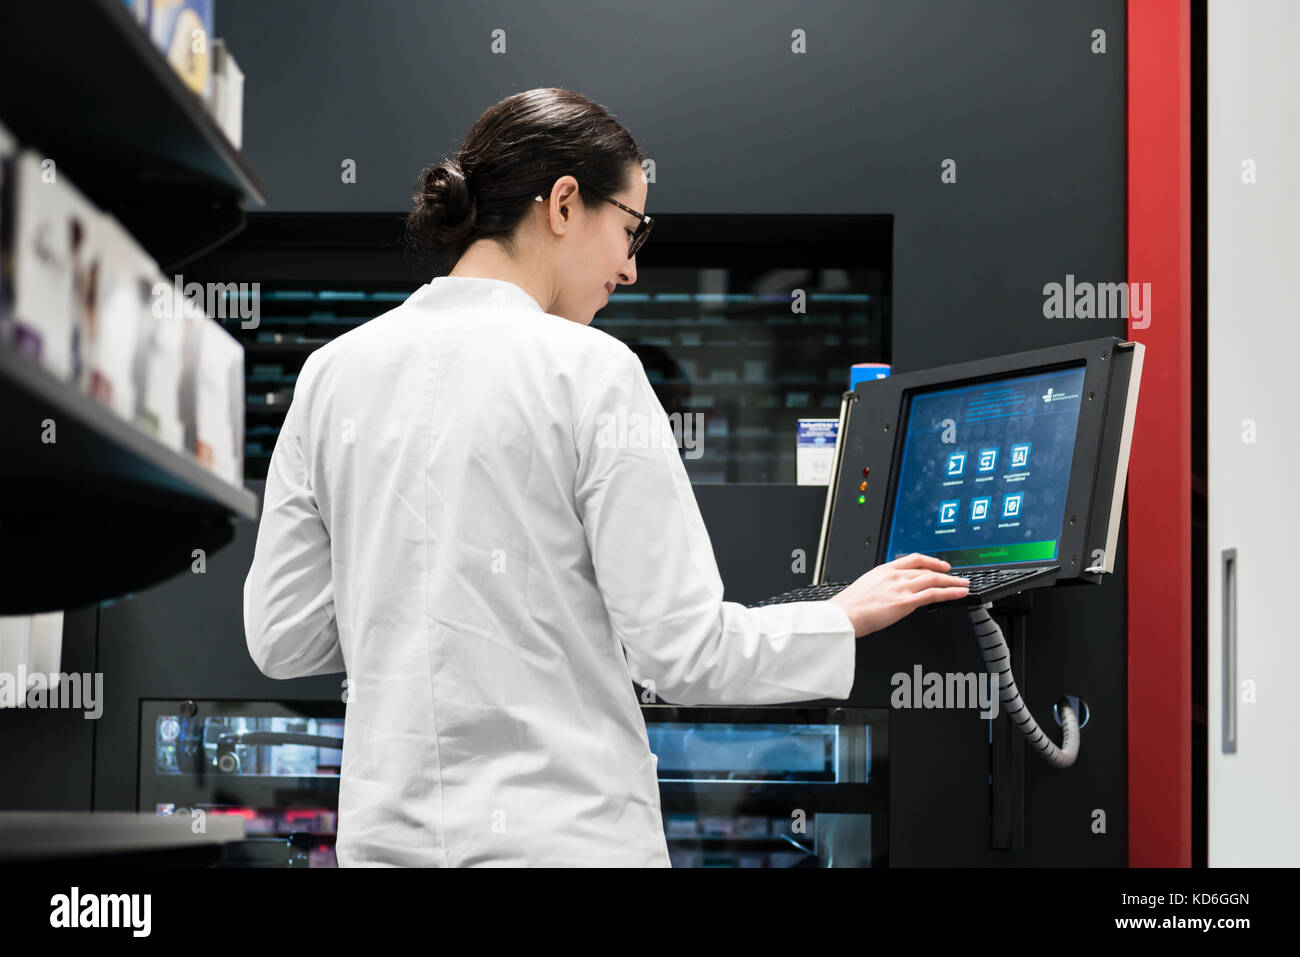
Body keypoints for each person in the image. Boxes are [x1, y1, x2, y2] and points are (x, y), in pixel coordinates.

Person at [243, 87, 969, 867]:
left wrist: (409, 601)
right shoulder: (590, 370)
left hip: (385, 846)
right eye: (630, 230)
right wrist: (842, 616)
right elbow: (684, 652)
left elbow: (281, 637)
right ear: (562, 203)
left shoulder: (331, 373)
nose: (628, 268)